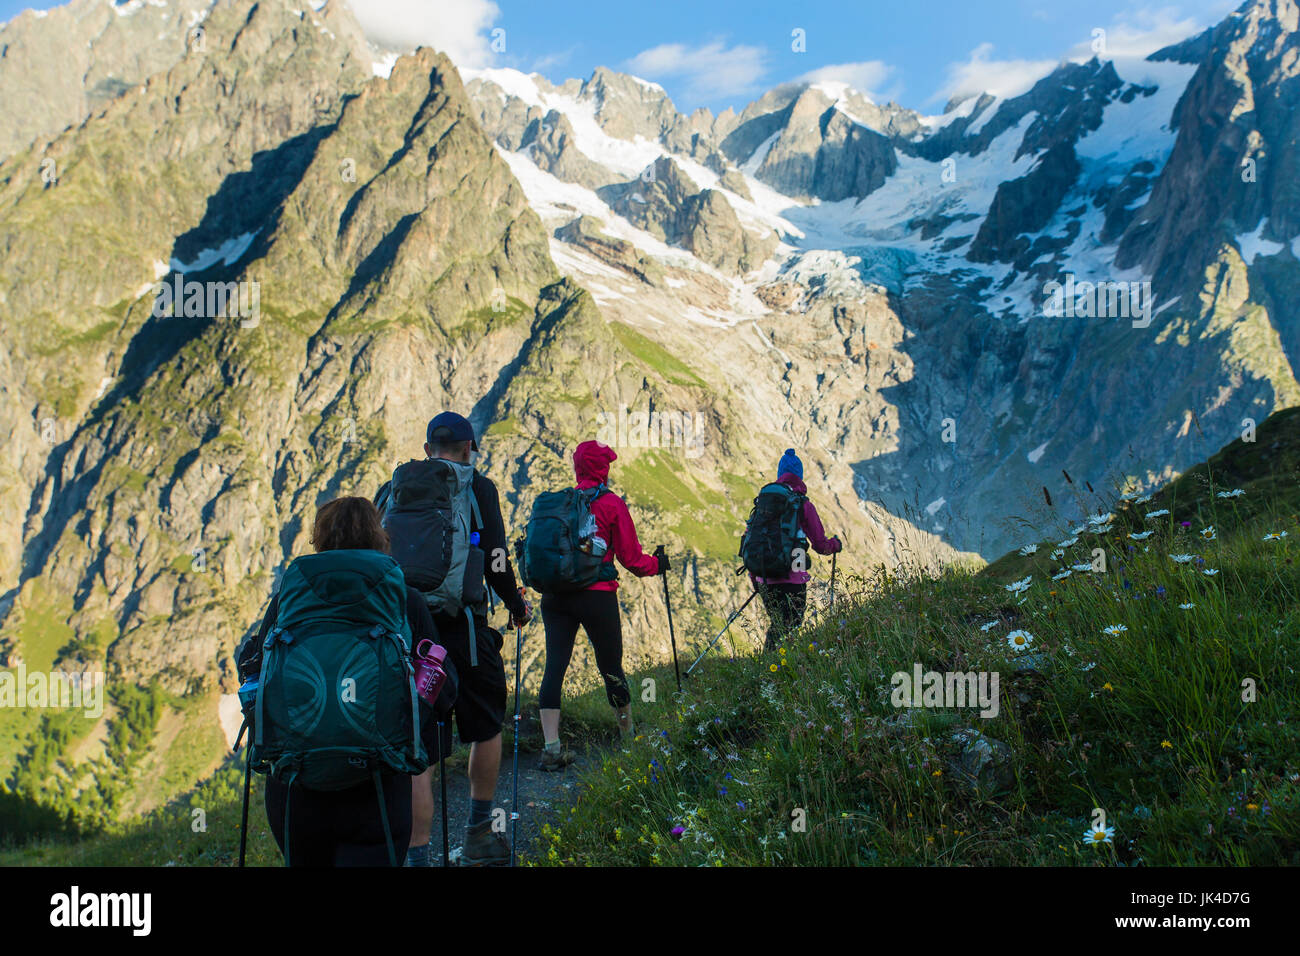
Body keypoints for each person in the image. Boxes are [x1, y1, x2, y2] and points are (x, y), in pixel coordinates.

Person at [236, 496, 454, 867]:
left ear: (318, 539)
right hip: (378, 787)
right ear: (380, 537)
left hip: (295, 788)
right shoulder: (404, 600)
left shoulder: (288, 600)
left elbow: (259, 674)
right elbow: (444, 692)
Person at [374, 411, 531, 867]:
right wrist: (516, 605)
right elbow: (496, 557)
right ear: (468, 449)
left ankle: (417, 858)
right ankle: (479, 835)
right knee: (487, 726)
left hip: (406, 633)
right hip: (463, 631)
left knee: (417, 749)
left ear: (428, 449)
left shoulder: (392, 488)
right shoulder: (478, 488)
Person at [536, 440, 667, 771]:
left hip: (555, 597)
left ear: (577, 467)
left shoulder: (561, 504)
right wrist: (658, 564)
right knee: (611, 667)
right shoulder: (611, 504)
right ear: (603, 470)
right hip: (597, 596)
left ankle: (551, 747)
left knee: (554, 668)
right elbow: (632, 560)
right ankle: (628, 739)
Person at [750, 449, 842, 652]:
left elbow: (751, 539)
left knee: (778, 625)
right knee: (790, 625)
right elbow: (820, 545)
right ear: (799, 476)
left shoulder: (763, 503)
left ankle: (772, 664)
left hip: (763, 576)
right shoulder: (802, 504)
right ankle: (776, 665)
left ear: (780, 474)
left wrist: (755, 579)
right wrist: (835, 545)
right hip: (792, 578)